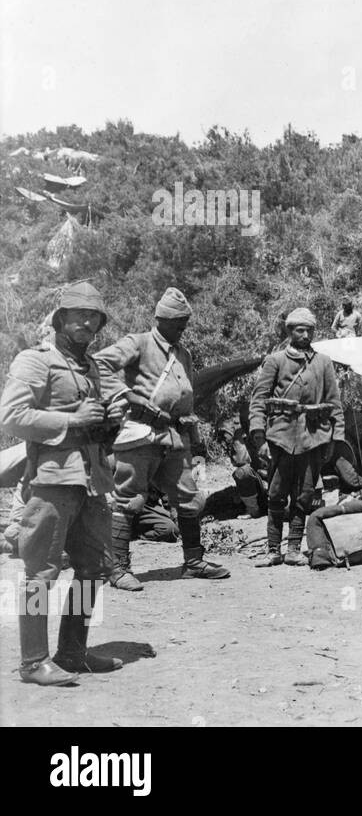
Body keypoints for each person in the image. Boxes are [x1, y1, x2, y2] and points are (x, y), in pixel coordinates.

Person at [1, 281, 125, 685]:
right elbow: (12, 417)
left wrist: (107, 424)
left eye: (94, 318)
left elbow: (92, 423)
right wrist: (73, 420)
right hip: (52, 482)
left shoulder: (92, 367)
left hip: (92, 481)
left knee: (94, 568)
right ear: (60, 319)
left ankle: (72, 652)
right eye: (79, 316)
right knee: (41, 573)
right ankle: (33, 662)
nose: (88, 323)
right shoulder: (34, 361)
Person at [96, 287, 228, 590]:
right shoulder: (138, 343)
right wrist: (128, 396)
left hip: (175, 436)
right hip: (141, 434)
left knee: (189, 498)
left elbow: (186, 398)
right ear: (160, 319)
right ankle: (118, 569)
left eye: (184, 322)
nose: (182, 327)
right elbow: (99, 365)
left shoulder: (184, 355)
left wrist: (192, 436)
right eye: (177, 322)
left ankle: (193, 561)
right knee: (128, 498)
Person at [248, 307, 346, 566]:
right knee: (276, 495)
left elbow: (334, 403)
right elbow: (258, 400)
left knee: (304, 496)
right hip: (280, 437)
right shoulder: (275, 361)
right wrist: (259, 438)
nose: (305, 335)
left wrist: (335, 439)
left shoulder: (323, 362)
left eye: (309, 330)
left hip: (313, 438)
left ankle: (293, 549)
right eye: (300, 330)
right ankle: (273, 550)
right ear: (289, 331)